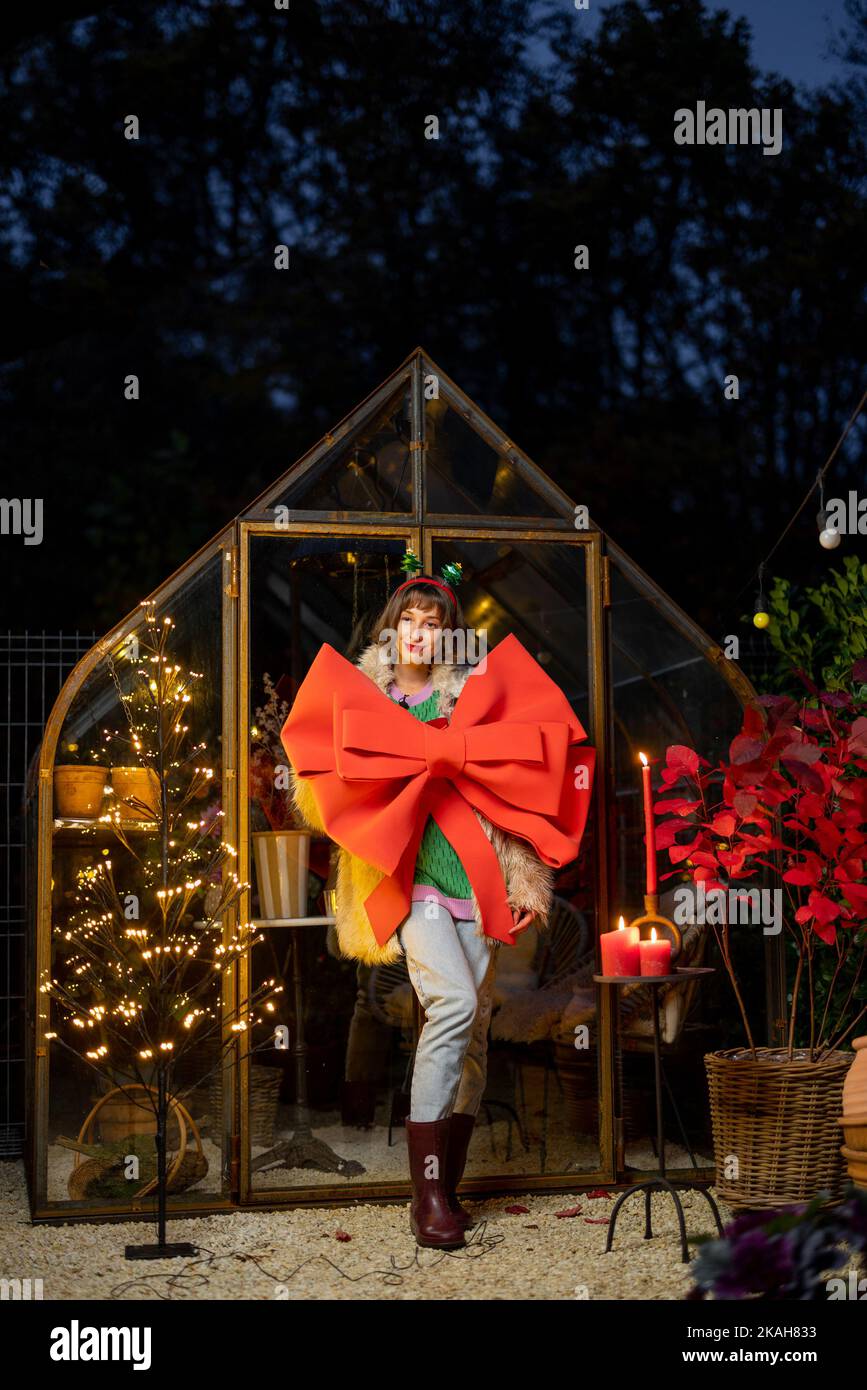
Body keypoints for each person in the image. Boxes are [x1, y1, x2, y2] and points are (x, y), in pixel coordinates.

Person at [280, 559, 594, 1249]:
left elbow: (524, 775)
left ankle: (443, 1185)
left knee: (474, 1024)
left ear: (450, 638)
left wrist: (521, 873)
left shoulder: (472, 702)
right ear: (389, 632)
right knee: (450, 1004)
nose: (418, 634)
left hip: (475, 882)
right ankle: (425, 1199)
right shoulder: (366, 706)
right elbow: (322, 789)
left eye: (433, 624)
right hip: (409, 885)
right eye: (407, 622)